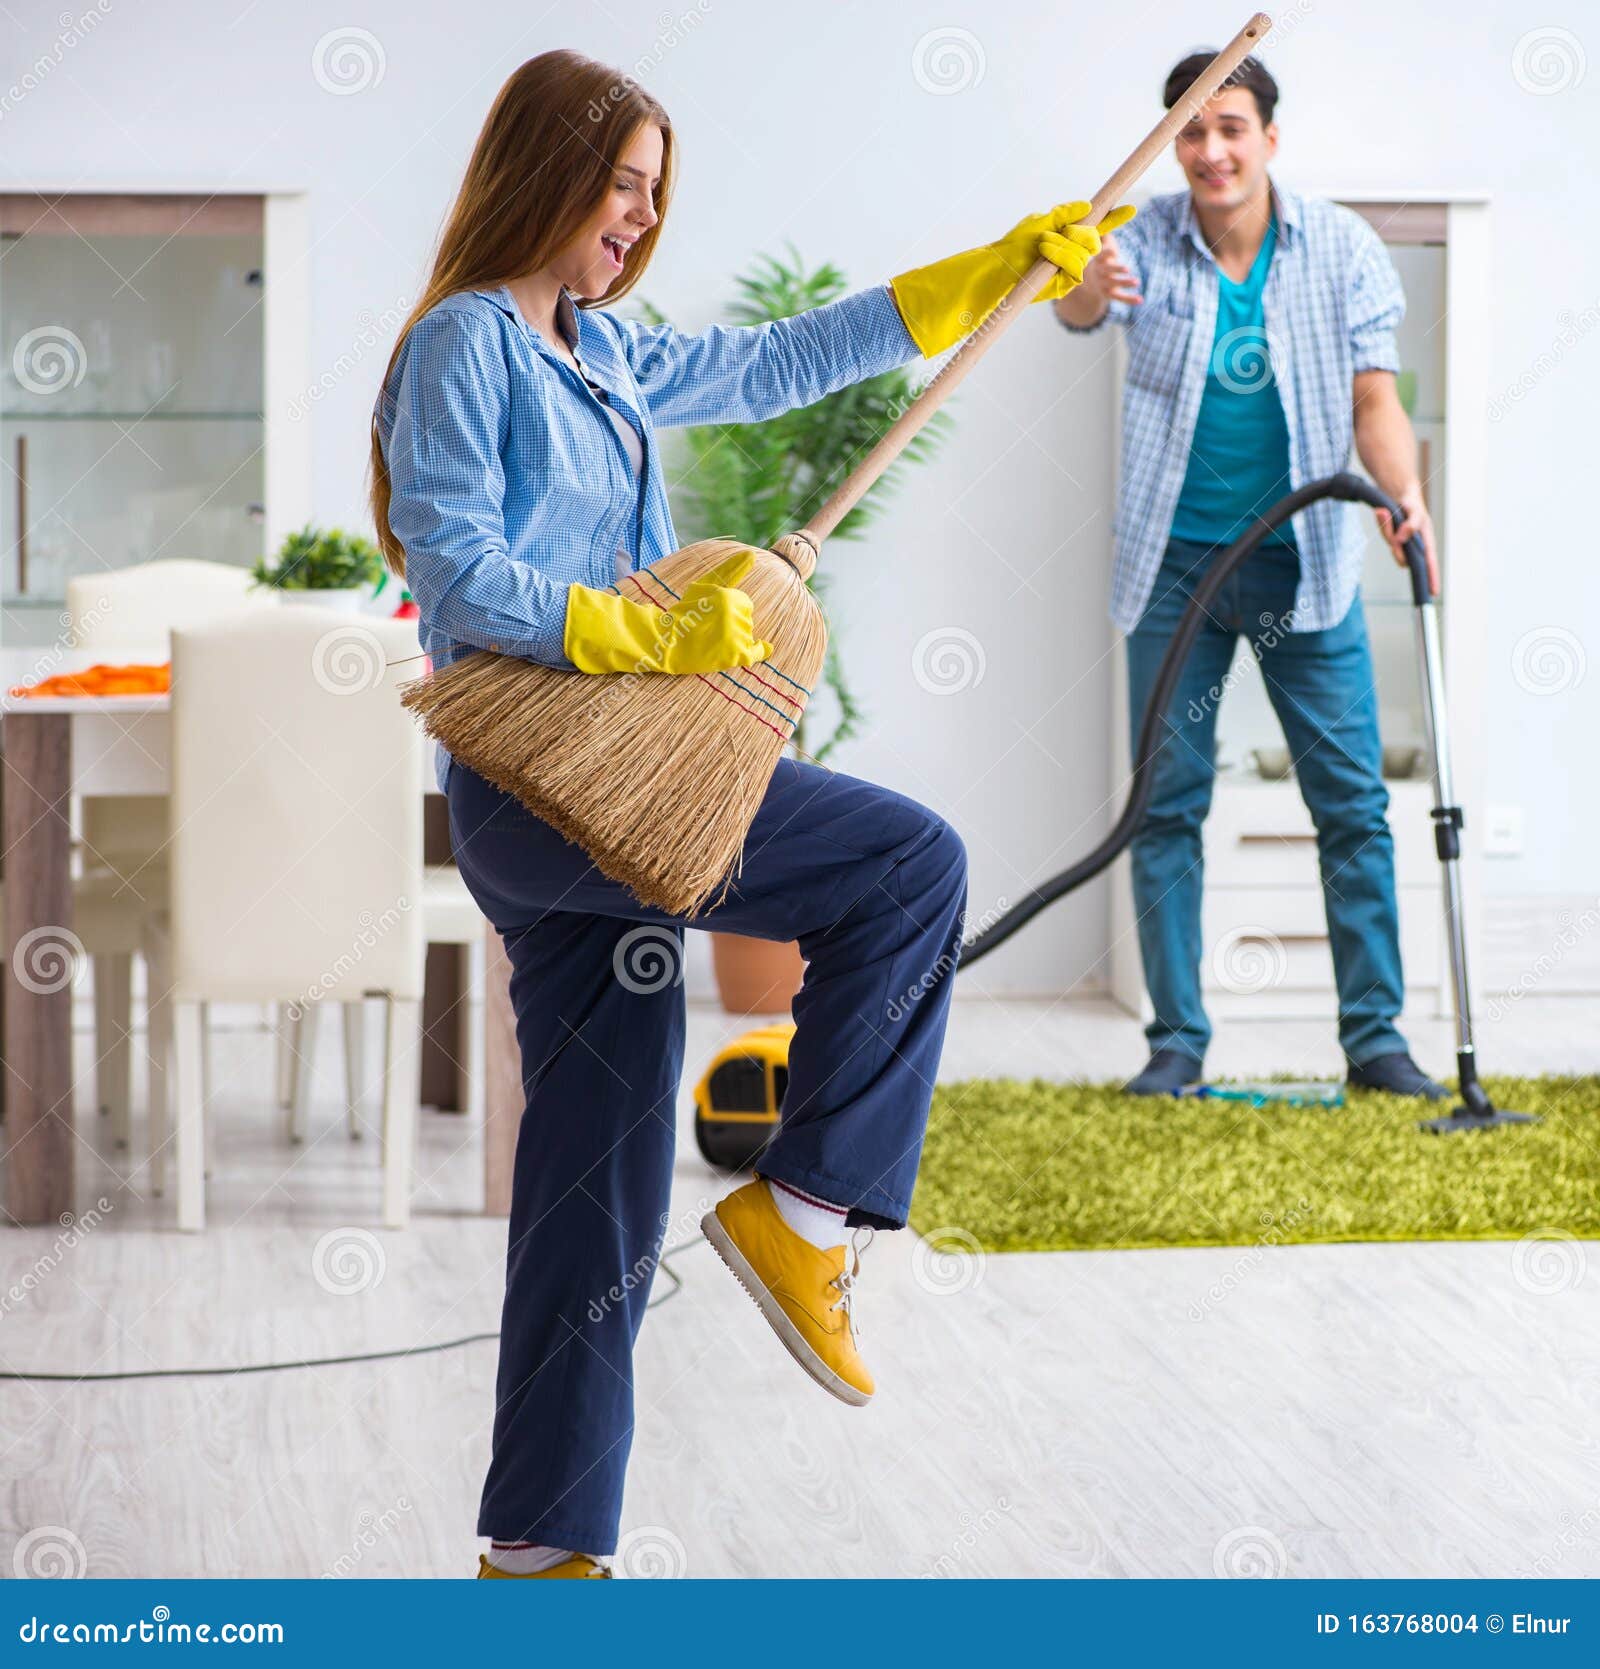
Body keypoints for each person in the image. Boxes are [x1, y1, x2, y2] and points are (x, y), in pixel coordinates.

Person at [369, 49, 1131, 1578]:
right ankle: (810, 1210)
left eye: (658, 192)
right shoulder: (468, 348)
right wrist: (645, 631)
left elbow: (786, 362)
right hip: (550, 790)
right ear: (543, 171)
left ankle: (539, 1558)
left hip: (610, 799)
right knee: (912, 863)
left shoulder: (602, 349)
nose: (641, 217)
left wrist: (982, 275)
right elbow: (452, 568)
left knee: (599, 1189)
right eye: (621, 183)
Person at [1055, 50, 1448, 1101]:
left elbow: (1375, 401)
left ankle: (1375, 1043)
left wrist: (1404, 494)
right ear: (1173, 144)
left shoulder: (1340, 248)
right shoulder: (1138, 240)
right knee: (1165, 803)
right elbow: (1085, 311)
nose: (1210, 149)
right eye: (1189, 130)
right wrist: (1086, 285)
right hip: (1172, 569)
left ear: (1268, 137)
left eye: (1229, 126)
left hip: (1304, 564)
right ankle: (1174, 1044)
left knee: (1353, 807)